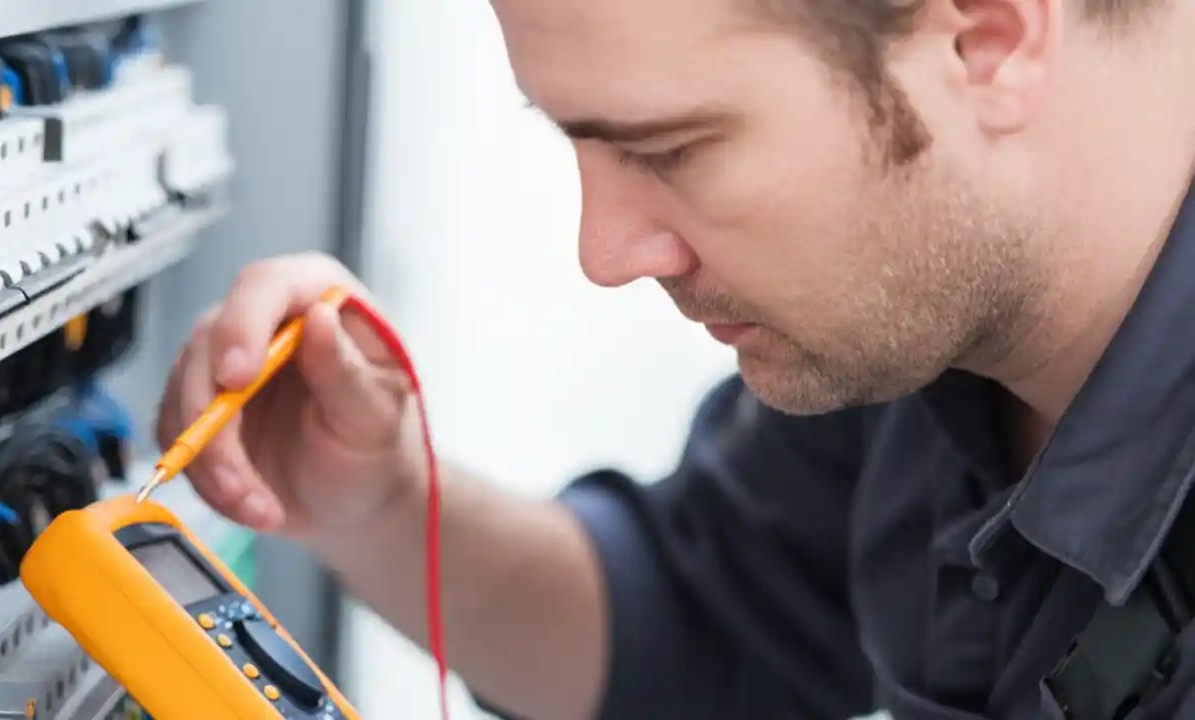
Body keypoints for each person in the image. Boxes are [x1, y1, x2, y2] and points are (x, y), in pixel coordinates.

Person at [154, 0, 1195, 717]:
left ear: (986, 41)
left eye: (669, 151)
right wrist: (379, 505)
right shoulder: (919, 308)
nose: (603, 255)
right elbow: (701, 624)